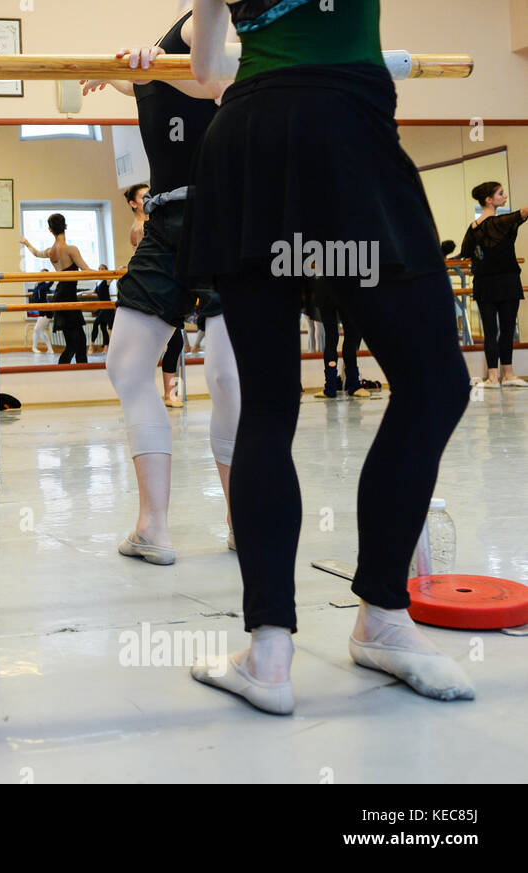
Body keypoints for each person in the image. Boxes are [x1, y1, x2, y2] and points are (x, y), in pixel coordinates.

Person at [187, 0, 474, 713]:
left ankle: (276, 649)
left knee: (275, 402)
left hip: (254, 133)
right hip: (340, 131)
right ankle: (352, 621)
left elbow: (204, 67)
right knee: (431, 384)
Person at [80, 10, 241, 565]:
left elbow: (223, 81)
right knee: (127, 364)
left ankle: (243, 518)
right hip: (166, 216)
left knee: (226, 376)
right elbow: (168, 91)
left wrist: (159, 70)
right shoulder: (180, 26)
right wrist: (121, 74)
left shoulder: (207, 20)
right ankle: (153, 526)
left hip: (226, 214)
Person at [458, 182, 528, 388]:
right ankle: (508, 374)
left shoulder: (473, 228)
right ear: (489, 200)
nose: (504, 196)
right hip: (506, 281)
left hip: (484, 283)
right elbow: (523, 212)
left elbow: (466, 252)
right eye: (500, 193)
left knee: (490, 330)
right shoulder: (502, 222)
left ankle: (493, 377)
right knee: (507, 329)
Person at [22, 214, 93, 364]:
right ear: (65, 227)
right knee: (76, 342)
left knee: (78, 341)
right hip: (67, 296)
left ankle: (79, 368)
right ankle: (66, 368)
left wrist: (26, 242)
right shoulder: (71, 249)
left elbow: (36, 253)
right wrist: (108, 274)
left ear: (50, 229)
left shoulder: (50, 251)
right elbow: (87, 270)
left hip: (62, 295)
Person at [310, 278, 369, 398]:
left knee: (331, 337)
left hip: (326, 287)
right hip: (346, 286)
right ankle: (353, 385)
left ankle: (331, 387)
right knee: (350, 337)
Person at [28, 272, 56, 355]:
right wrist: (32, 294)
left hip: (46, 311)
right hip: (41, 311)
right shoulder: (37, 285)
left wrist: (50, 275)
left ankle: (36, 348)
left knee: (37, 329)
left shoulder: (44, 285)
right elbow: (36, 295)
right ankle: (49, 349)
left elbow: (51, 282)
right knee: (39, 330)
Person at [125, 183, 149, 248]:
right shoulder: (141, 226)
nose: (149, 200)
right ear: (133, 204)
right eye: (144, 198)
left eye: (150, 196)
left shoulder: (140, 225)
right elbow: (144, 254)